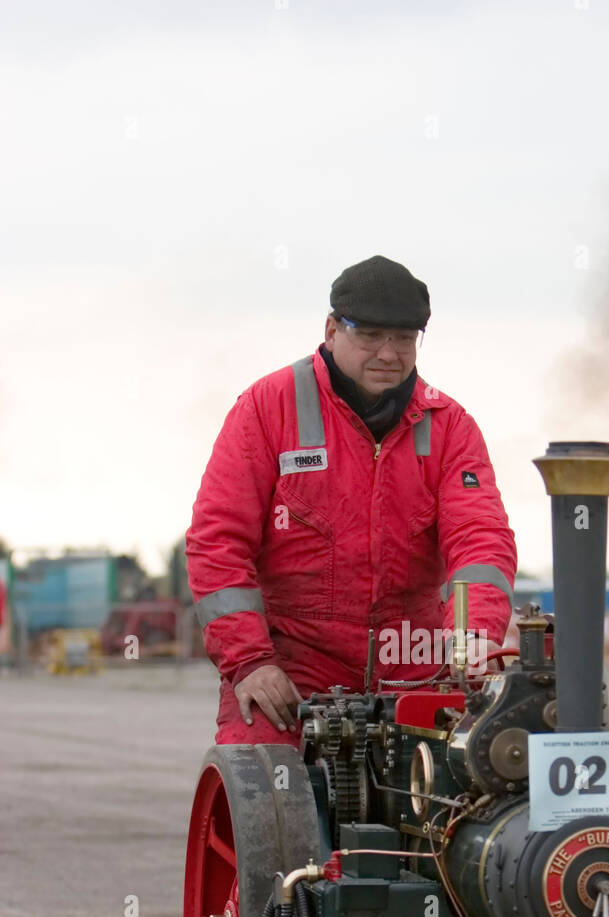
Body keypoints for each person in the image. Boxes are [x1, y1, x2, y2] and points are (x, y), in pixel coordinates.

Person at [186, 254, 518, 744]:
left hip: (416, 666)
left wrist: (471, 640)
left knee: (481, 775)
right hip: (292, 671)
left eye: (404, 338)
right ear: (330, 330)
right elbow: (218, 542)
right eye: (369, 336)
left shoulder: (449, 425)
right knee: (266, 785)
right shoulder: (266, 408)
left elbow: (480, 541)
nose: (388, 353)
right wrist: (250, 662)